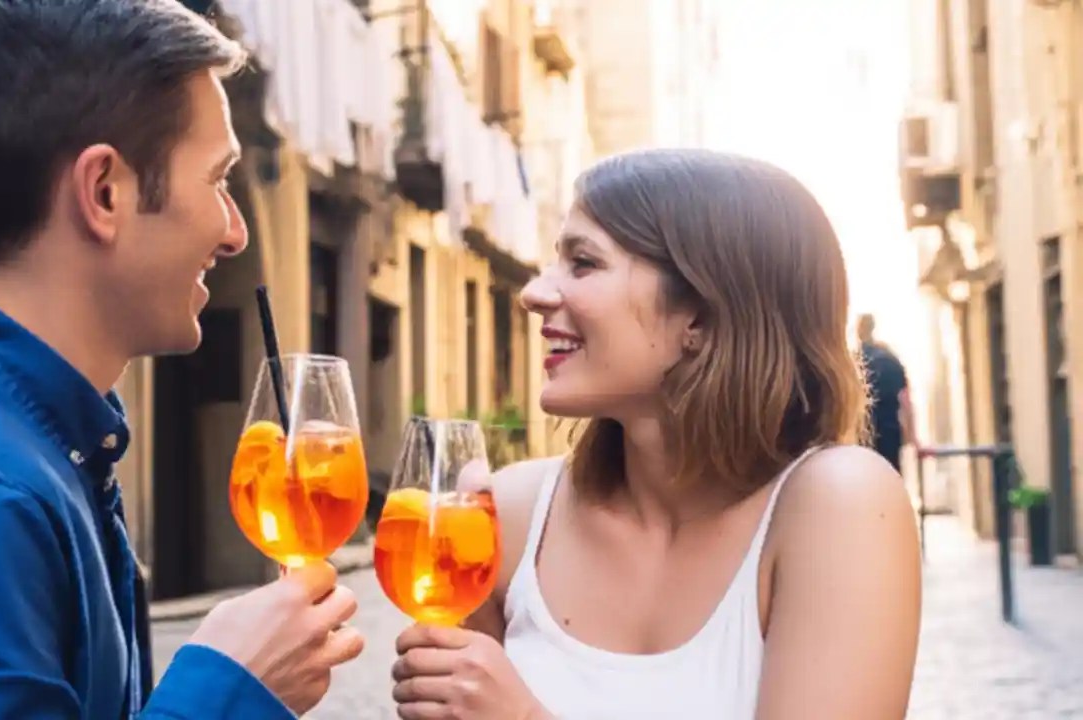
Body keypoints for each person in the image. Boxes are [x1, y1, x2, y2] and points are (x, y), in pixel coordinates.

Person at [0, 1, 362, 717]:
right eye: (218, 179)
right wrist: (226, 691)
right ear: (104, 192)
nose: (236, 232)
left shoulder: (35, 447)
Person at [389, 150, 922, 719]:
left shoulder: (839, 504)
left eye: (584, 263)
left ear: (699, 314)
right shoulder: (512, 515)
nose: (534, 293)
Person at [857, 313, 919, 471]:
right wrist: (913, 437)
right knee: (890, 474)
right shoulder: (890, 359)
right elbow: (905, 400)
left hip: (863, 435)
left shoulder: (855, 361)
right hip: (890, 432)